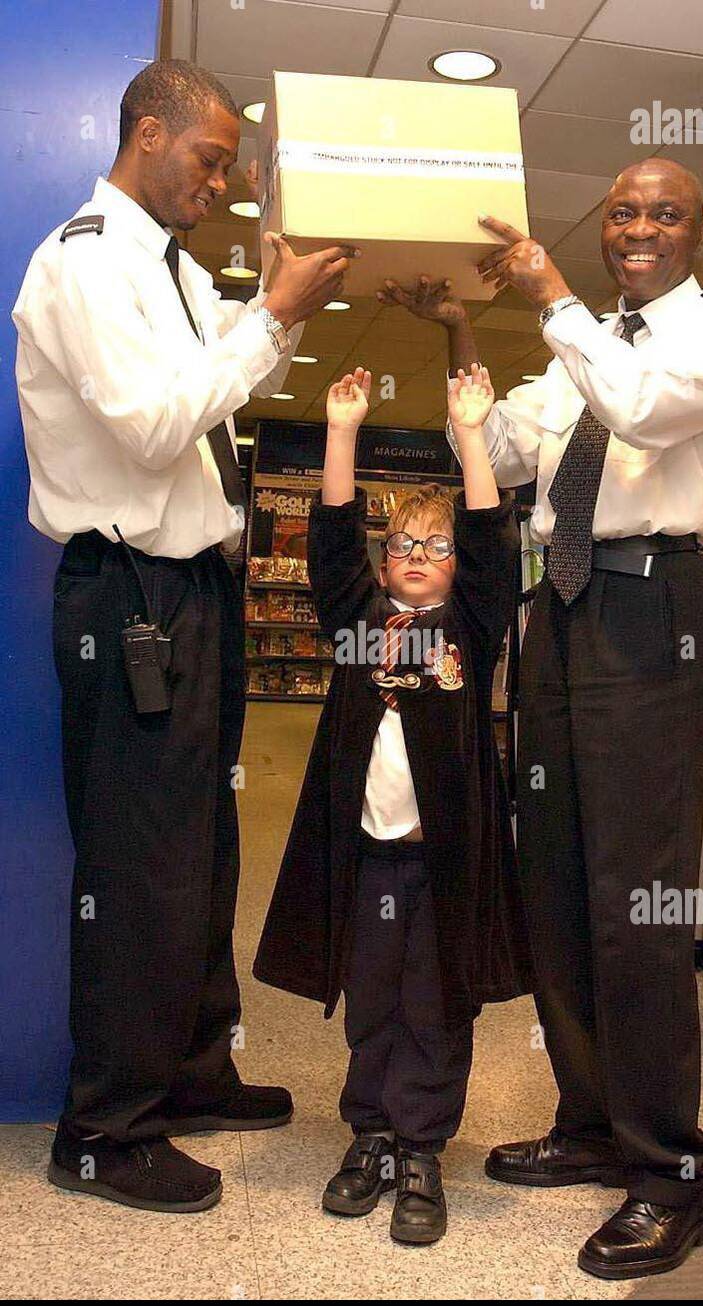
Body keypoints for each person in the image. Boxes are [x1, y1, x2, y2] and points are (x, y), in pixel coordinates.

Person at [380, 157, 703, 1277]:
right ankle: (592, 1124)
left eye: (663, 213)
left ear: (696, 232)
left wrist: (543, 290)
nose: (638, 226)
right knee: (555, 878)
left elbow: (639, 405)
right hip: (559, 609)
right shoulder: (582, 340)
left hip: (650, 608)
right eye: (622, 211)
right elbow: (500, 448)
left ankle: (670, 1174)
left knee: (633, 900)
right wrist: (462, 334)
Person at [13, 58, 357, 1213]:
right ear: (146, 131)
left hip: (194, 594)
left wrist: (271, 299)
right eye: (208, 160)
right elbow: (163, 422)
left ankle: (192, 1069)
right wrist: (268, 315)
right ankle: (105, 1130)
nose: (218, 183)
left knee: (203, 849)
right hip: (130, 600)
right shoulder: (84, 264)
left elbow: (240, 355)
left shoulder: (164, 269)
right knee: (139, 867)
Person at [253, 364, 534, 1244]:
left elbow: (490, 540)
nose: (416, 561)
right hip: (365, 855)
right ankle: (370, 1132)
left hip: (442, 864)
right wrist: (340, 431)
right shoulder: (358, 623)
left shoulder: (472, 624)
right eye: (403, 549)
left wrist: (471, 434)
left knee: (434, 1000)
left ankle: (420, 1145)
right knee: (371, 993)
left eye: (433, 550)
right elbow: (329, 545)